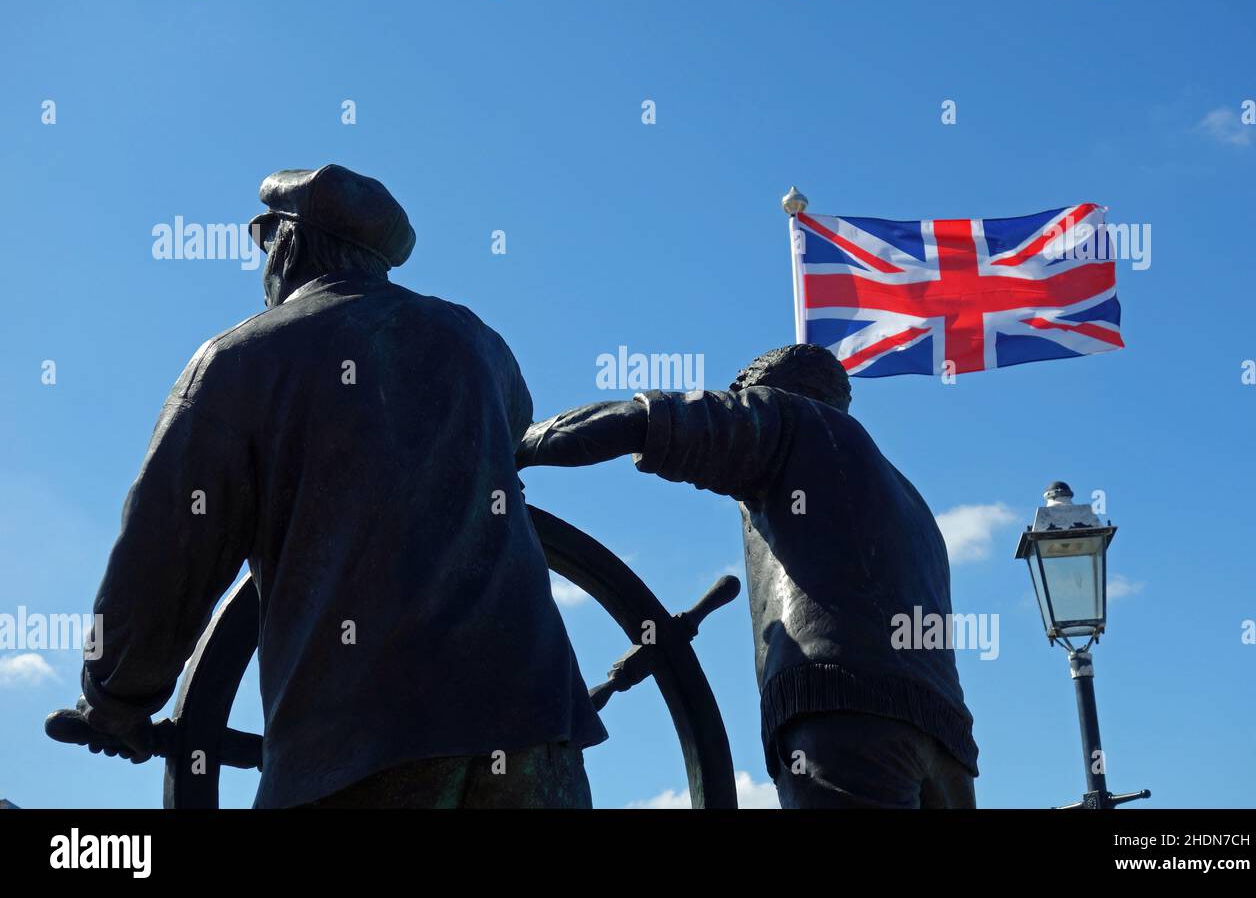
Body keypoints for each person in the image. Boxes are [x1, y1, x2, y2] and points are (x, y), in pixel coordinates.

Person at [47, 164, 605, 808]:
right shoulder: (478, 345)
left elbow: (164, 555)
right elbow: (508, 450)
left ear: (288, 241)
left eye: (263, 239)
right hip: (534, 729)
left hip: (358, 742)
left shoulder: (237, 362)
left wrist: (114, 698)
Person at [517, 343, 978, 808]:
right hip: (947, 743)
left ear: (758, 389)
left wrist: (508, 448)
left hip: (843, 710)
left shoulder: (782, 417)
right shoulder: (912, 502)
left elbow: (637, 422)